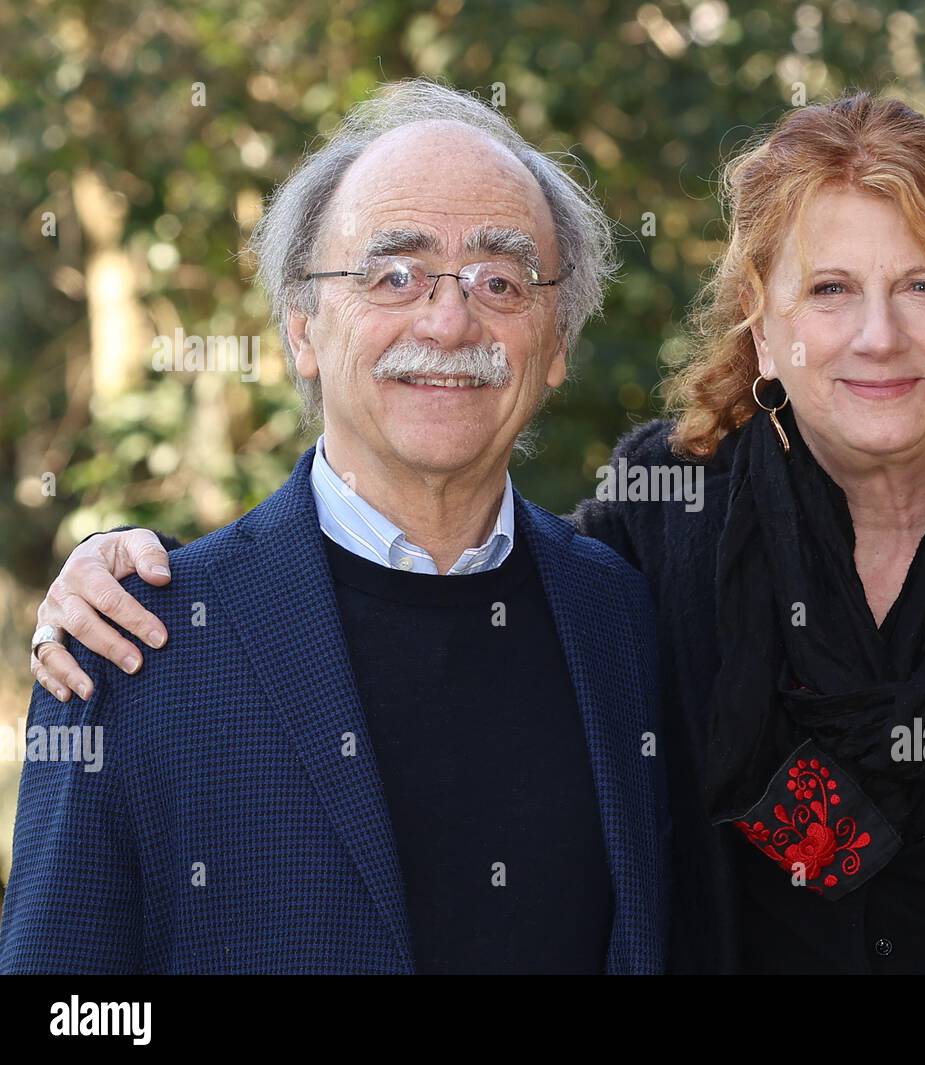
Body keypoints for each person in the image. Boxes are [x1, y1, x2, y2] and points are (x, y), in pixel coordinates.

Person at [26, 91, 925, 974]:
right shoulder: (658, 553)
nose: (877, 335)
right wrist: (112, 565)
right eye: (831, 289)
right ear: (764, 322)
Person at [3, 81, 667, 974]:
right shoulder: (129, 644)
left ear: (555, 344)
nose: (447, 317)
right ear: (303, 326)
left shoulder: (625, 620)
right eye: (394, 274)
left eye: (501, 280)